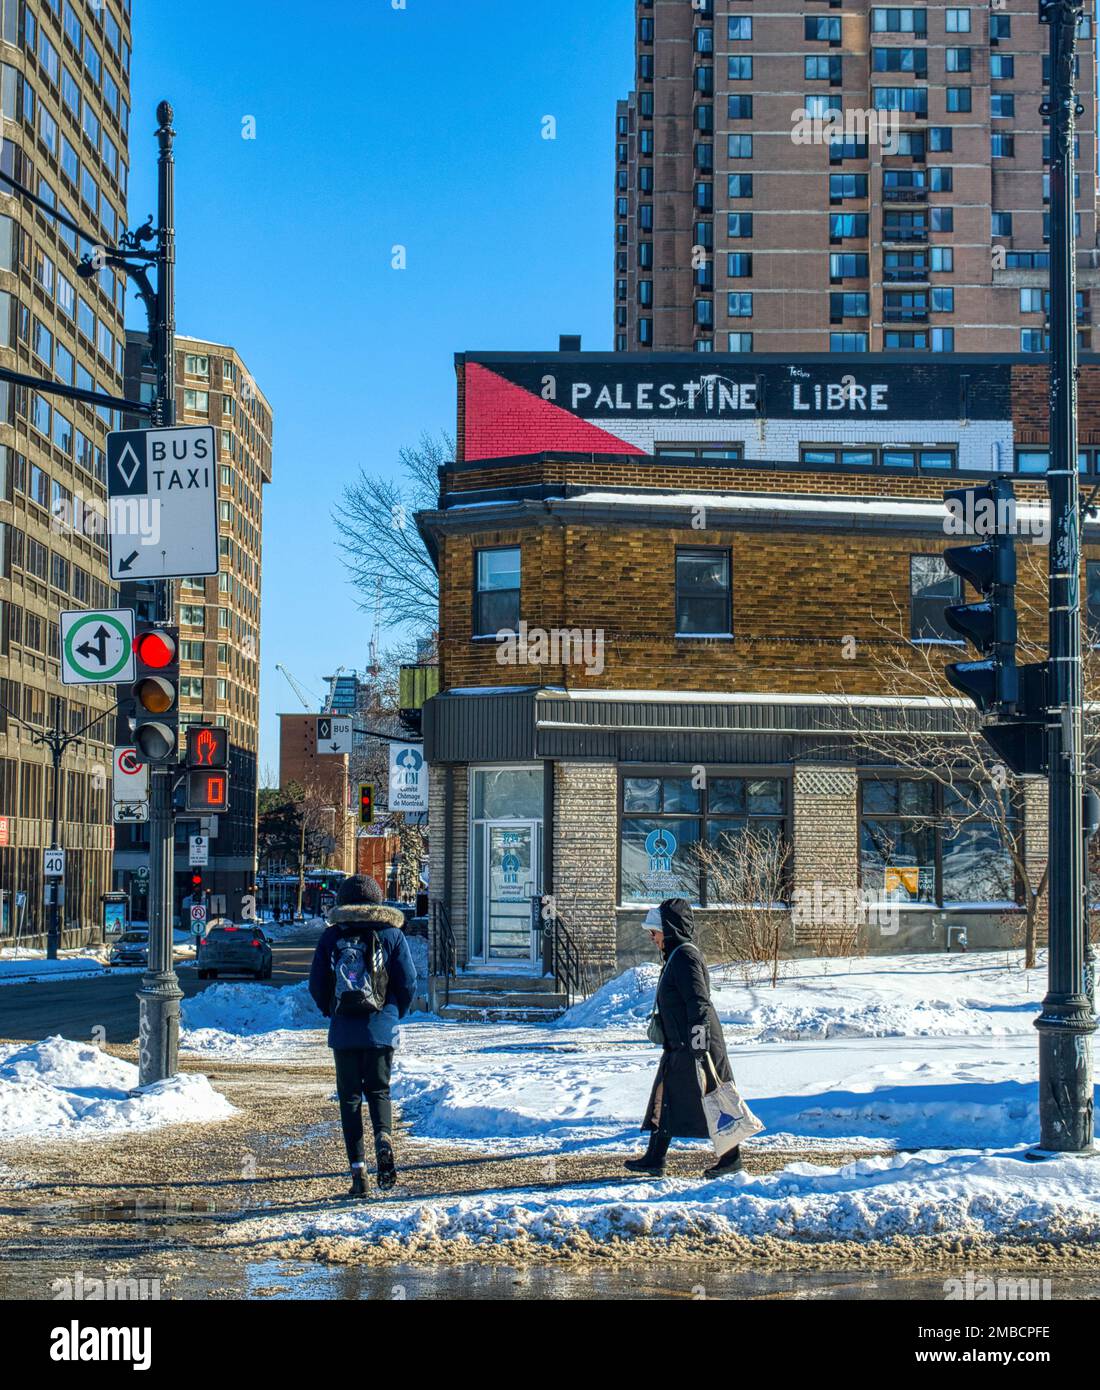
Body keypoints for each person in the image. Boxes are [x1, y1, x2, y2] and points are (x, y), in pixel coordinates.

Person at [308, 874, 417, 1197]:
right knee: (380, 1091)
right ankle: (384, 1138)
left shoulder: (332, 936)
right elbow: (408, 982)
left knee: (350, 1100)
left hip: (344, 1031)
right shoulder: (391, 934)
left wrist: (332, 1011)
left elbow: (317, 984)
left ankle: (359, 1175)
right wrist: (393, 1013)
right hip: (382, 1028)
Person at [625, 897, 744, 1181]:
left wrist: (698, 1040)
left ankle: (732, 1157)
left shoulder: (686, 956)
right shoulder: (677, 956)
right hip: (680, 1044)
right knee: (666, 1096)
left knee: (714, 1094)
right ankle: (656, 1158)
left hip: (696, 1043)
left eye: (653, 933)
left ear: (668, 929)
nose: (651, 938)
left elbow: (698, 1001)